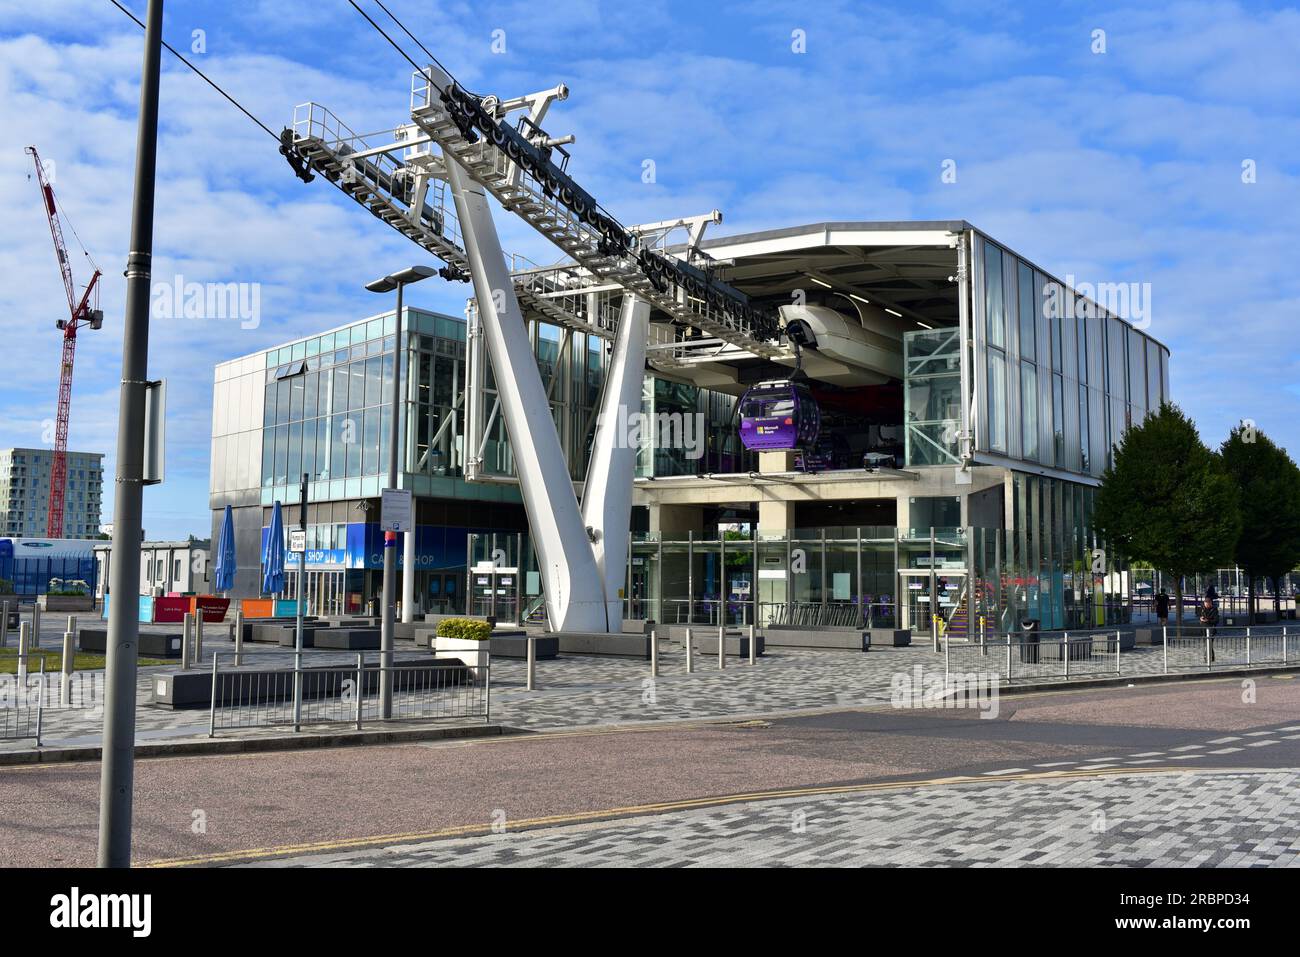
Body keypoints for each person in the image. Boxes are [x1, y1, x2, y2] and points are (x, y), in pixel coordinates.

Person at [1198, 596, 1218, 662]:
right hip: (1203, 629)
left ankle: (1207, 657)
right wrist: (1201, 619)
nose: (1206, 604)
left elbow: (1216, 620)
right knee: (1207, 643)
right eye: (1205, 603)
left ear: (1210, 603)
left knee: (1209, 643)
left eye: (1208, 603)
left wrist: (1208, 620)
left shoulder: (1214, 610)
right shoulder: (1202, 609)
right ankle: (1211, 657)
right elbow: (1200, 616)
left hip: (1211, 629)